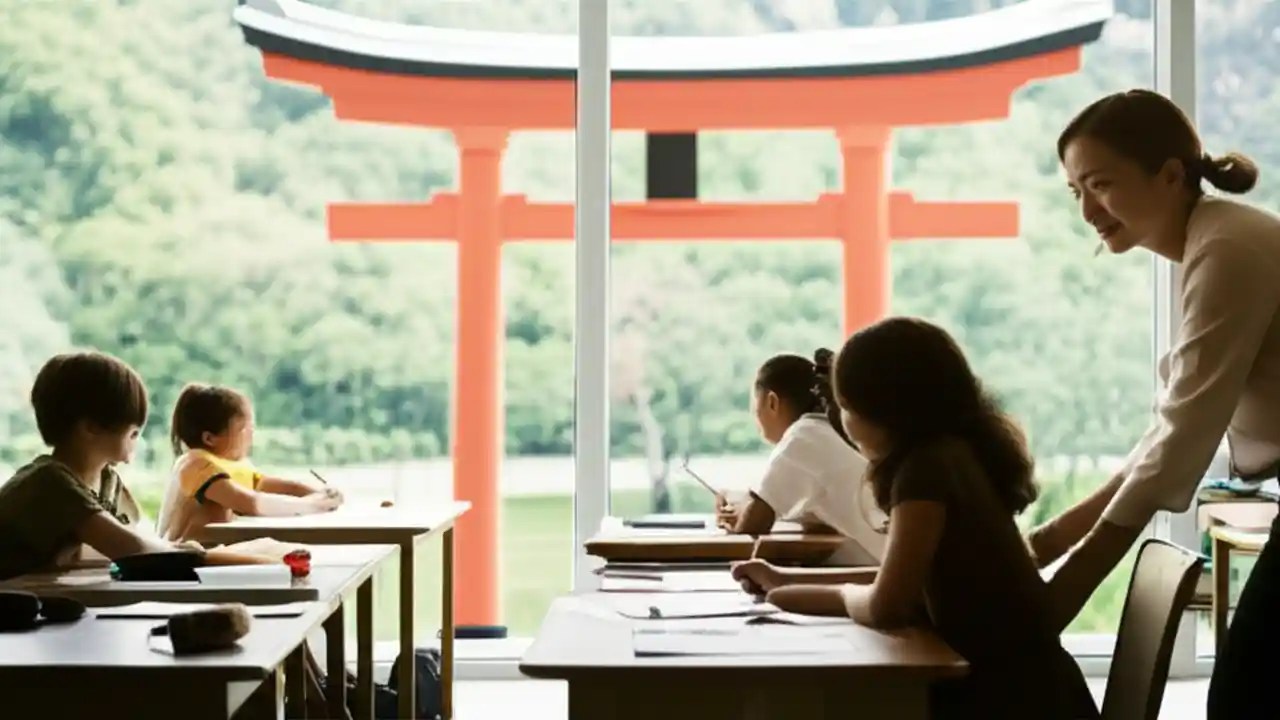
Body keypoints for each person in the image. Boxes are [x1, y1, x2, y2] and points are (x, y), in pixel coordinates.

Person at [1028, 88, 1280, 719]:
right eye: (1075, 191)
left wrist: (1066, 591)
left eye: (1101, 184)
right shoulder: (1205, 243)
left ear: (1170, 175)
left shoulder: (1228, 246)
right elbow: (1167, 428)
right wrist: (1047, 542)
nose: (1087, 208)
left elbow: (1182, 435)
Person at [733, 318, 1097, 720]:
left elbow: (888, 603)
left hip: (1003, 698)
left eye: (847, 407)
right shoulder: (955, 454)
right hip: (1031, 686)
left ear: (884, 409)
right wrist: (785, 580)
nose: (843, 422)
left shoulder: (923, 473)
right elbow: (898, 579)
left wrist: (820, 596)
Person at [0, 351, 185, 579]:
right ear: (90, 427)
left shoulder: (106, 480)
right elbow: (135, 550)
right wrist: (198, 555)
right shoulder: (49, 482)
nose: (136, 443)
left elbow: (114, 544)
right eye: (133, 433)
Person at [715, 349, 884, 565]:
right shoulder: (832, 430)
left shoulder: (804, 436)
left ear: (771, 402)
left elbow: (752, 526)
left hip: (881, 573)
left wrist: (738, 514)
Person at [156, 382, 342, 542]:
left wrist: (320, 493)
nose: (251, 434)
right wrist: (314, 505)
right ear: (210, 439)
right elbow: (249, 503)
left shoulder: (229, 465)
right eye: (244, 429)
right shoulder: (194, 465)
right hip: (176, 560)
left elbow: (279, 486)